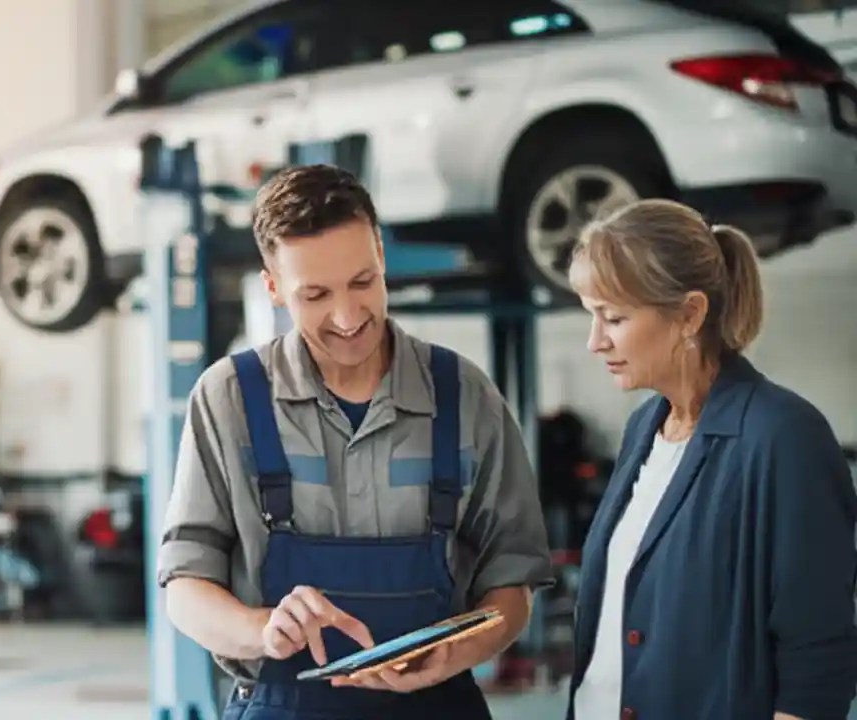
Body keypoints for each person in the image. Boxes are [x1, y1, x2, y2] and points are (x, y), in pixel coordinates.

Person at [157, 164, 554, 719]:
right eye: (315, 294)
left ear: (382, 261)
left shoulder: (464, 396)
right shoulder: (229, 400)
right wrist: (262, 630)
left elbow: (513, 584)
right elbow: (184, 585)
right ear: (273, 288)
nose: (347, 317)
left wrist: (459, 652)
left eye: (363, 283)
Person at [565, 199, 857, 720]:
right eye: (591, 315)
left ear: (689, 314)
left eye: (614, 317)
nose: (595, 341)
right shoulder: (643, 428)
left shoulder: (784, 438)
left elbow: (816, 662)